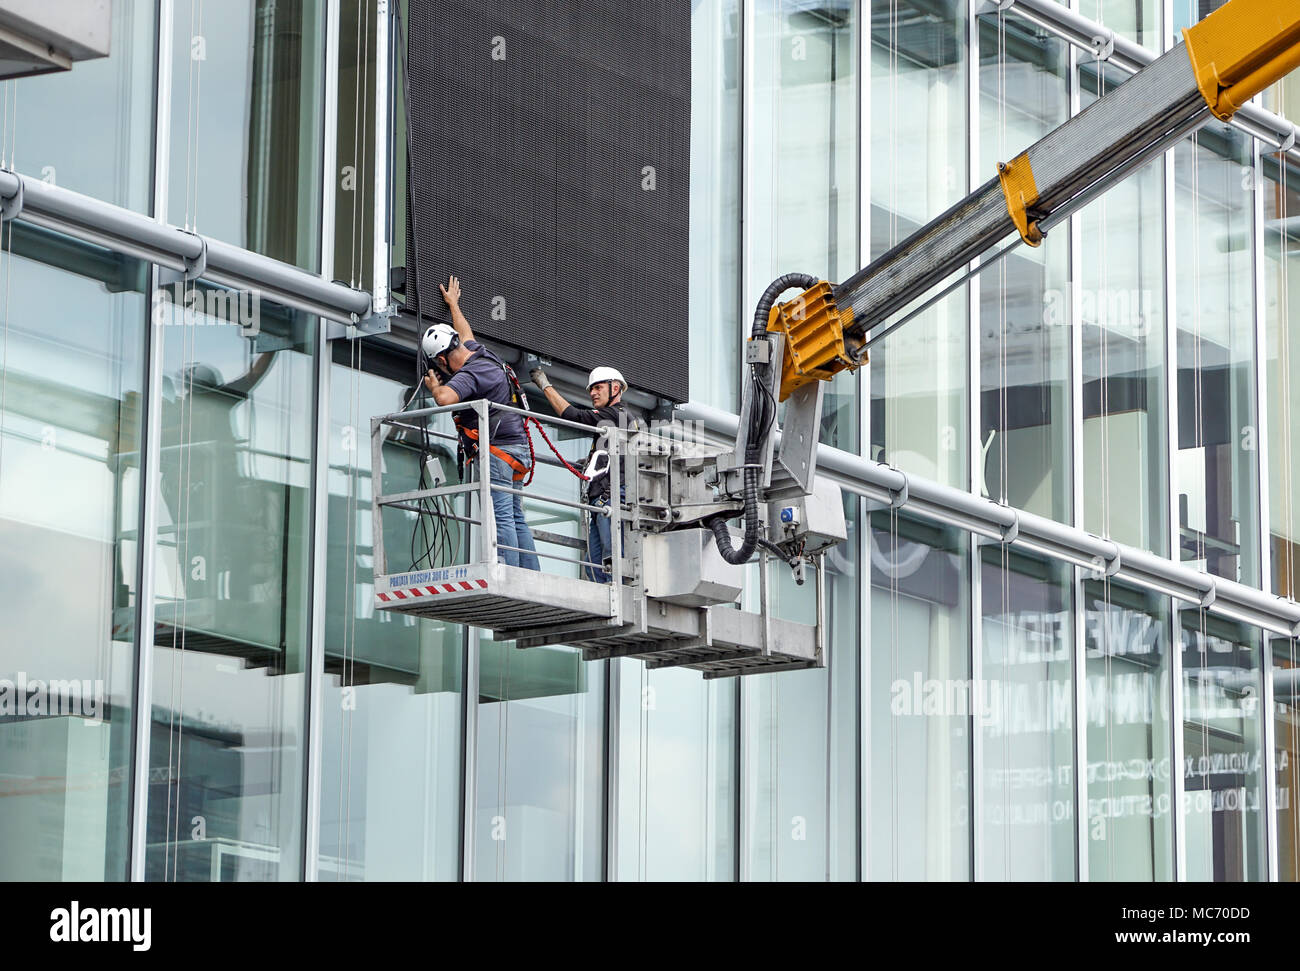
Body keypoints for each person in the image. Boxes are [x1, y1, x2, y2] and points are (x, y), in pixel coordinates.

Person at [422, 275, 539, 571]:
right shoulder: (480, 354)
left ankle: (510, 572)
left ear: (442, 361)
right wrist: (453, 306)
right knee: (515, 514)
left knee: (502, 514)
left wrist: (435, 388)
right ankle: (529, 571)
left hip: (500, 451)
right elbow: (465, 332)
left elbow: (446, 399)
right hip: (515, 448)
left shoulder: (470, 373)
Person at [529, 361, 636, 583]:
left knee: (611, 562)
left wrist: (545, 385)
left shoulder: (617, 415)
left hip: (611, 498)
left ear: (615, 388)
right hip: (602, 499)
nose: (593, 393)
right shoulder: (616, 421)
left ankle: (620, 602)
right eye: (591, 390)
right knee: (596, 565)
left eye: (598, 388)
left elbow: (573, 416)